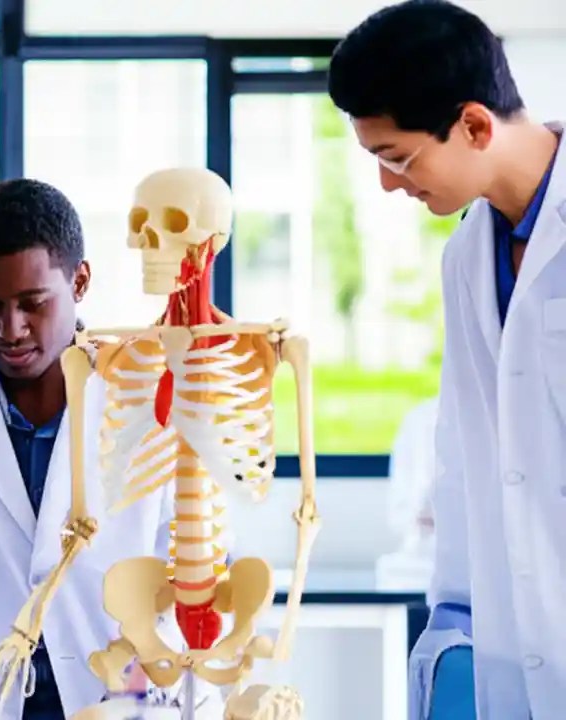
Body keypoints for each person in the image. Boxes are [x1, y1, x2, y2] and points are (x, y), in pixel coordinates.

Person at [0, 179, 217, 720]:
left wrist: (155, 663)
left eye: (32, 303)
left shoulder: (154, 391)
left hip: (127, 698)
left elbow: (196, 557)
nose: (10, 328)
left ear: (80, 281)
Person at [330, 1, 566, 717]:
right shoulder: (467, 255)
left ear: (473, 125)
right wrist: (453, 622)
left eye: (398, 158)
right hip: (513, 646)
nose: (389, 184)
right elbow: (463, 448)